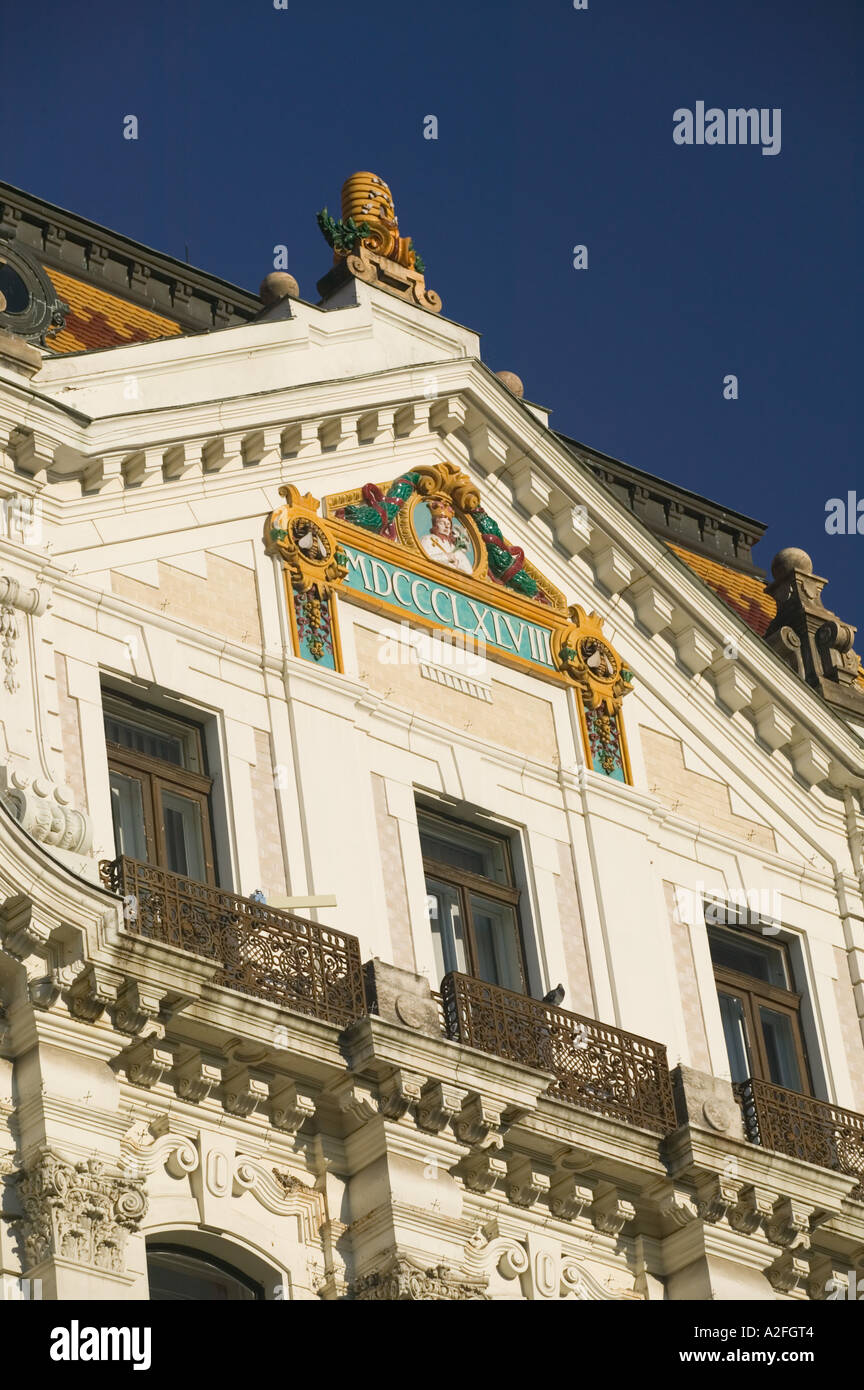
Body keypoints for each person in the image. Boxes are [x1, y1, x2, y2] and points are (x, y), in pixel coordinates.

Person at [419, 500, 474, 574]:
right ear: (435, 525)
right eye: (442, 523)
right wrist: (445, 557)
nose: (447, 526)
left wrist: (457, 563)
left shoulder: (455, 548)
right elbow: (421, 558)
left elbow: (469, 571)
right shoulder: (427, 539)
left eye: (448, 524)